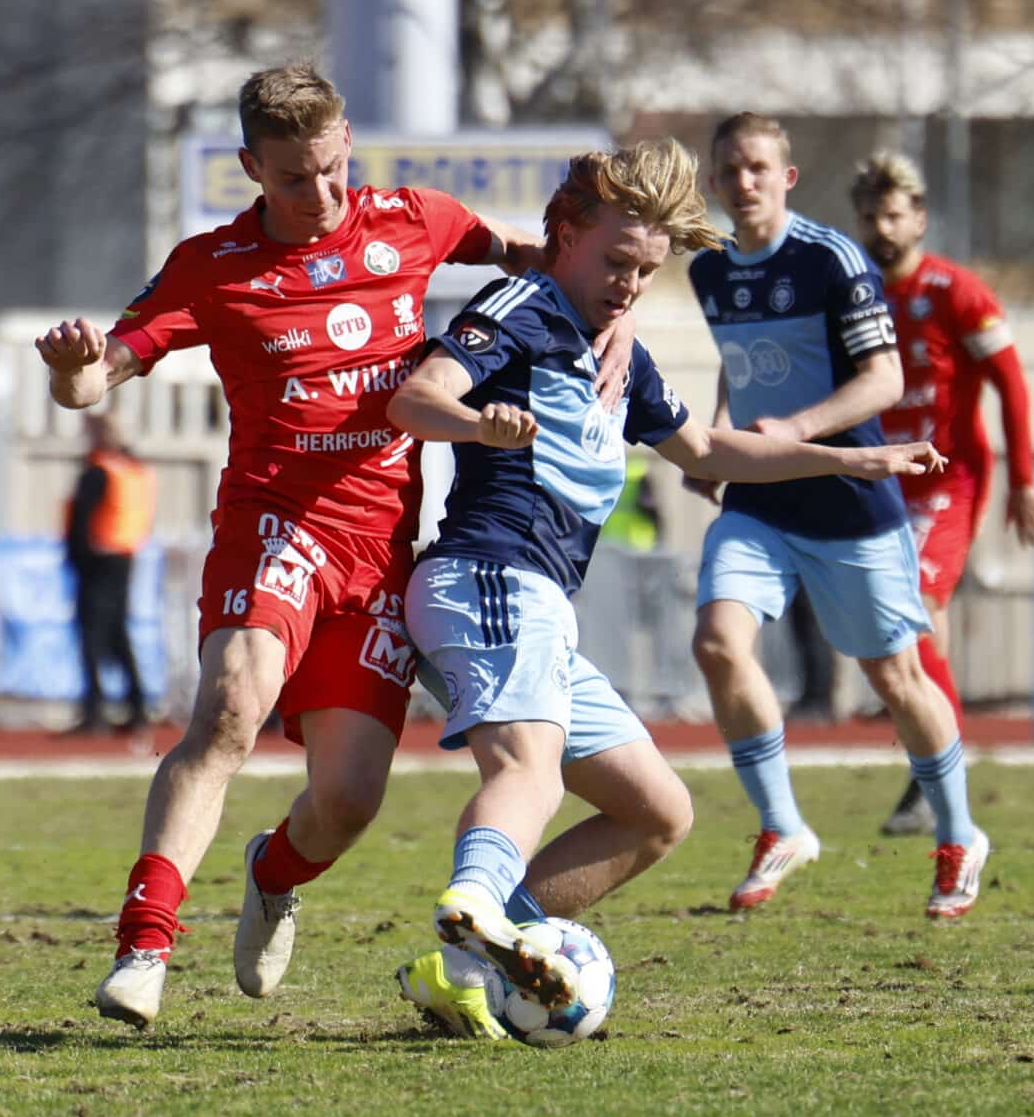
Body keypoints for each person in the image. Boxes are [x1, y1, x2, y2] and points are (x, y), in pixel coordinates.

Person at [35, 61, 616, 1030]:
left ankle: (273, 870)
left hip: (379, 546)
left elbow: (544, 260)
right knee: (228, 711)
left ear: (346, 142)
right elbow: (102, 380)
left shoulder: (415, 220)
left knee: (346, 799)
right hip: (274, 523)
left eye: (331, 169)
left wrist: (622, 310)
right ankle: (144, 947)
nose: (320, 195)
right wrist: (71, 373)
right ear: (251, 167)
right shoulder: (213, 265)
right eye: (294, 178)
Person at [386, 140, 942, 1036]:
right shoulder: (522, 305)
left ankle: (464, 960)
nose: (629, 286)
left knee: (657, 811)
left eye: (646, 272)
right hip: (488, 576)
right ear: (562, 235)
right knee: (528, 770)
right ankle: (472, 908)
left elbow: (713, 451)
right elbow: (414, 399)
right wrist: (477, 424)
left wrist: (856, 455)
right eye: (615, 262)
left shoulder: (620, 355)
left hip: (536, 608)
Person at [685, 113, 993, 920]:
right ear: (714, 182)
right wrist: (722, 441)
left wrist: (793, 429)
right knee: (717, 642)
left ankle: (960, 833)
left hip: (849, 501)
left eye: (758, 167)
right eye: (730, 169)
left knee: (895, 678)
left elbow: (885, 381)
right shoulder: (711, 269)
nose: (743, 181)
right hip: (758, 499)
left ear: (786, 177)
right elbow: (739, 359)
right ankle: (782, 823)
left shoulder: (831, 258)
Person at [852, 151, 1034, 835]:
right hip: (883, 475)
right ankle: (933, 755)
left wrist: (1023, 479)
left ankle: (940, 763)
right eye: (871, 215)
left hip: (948, 476)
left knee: (920, 603)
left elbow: (1012, 383)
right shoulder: (857, 292)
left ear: (920, 219)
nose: (882, 226)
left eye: (894, 214)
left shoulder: (956, 290)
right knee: (896, 624)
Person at [64, 412, 152, 733]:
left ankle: (95, 709)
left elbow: (81, 522)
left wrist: (74, 557)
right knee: (118, 633)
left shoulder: (100, 470)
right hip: (124, 556)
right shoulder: (134, 469)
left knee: (92, 636)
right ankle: (138, 705)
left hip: (97, 559)